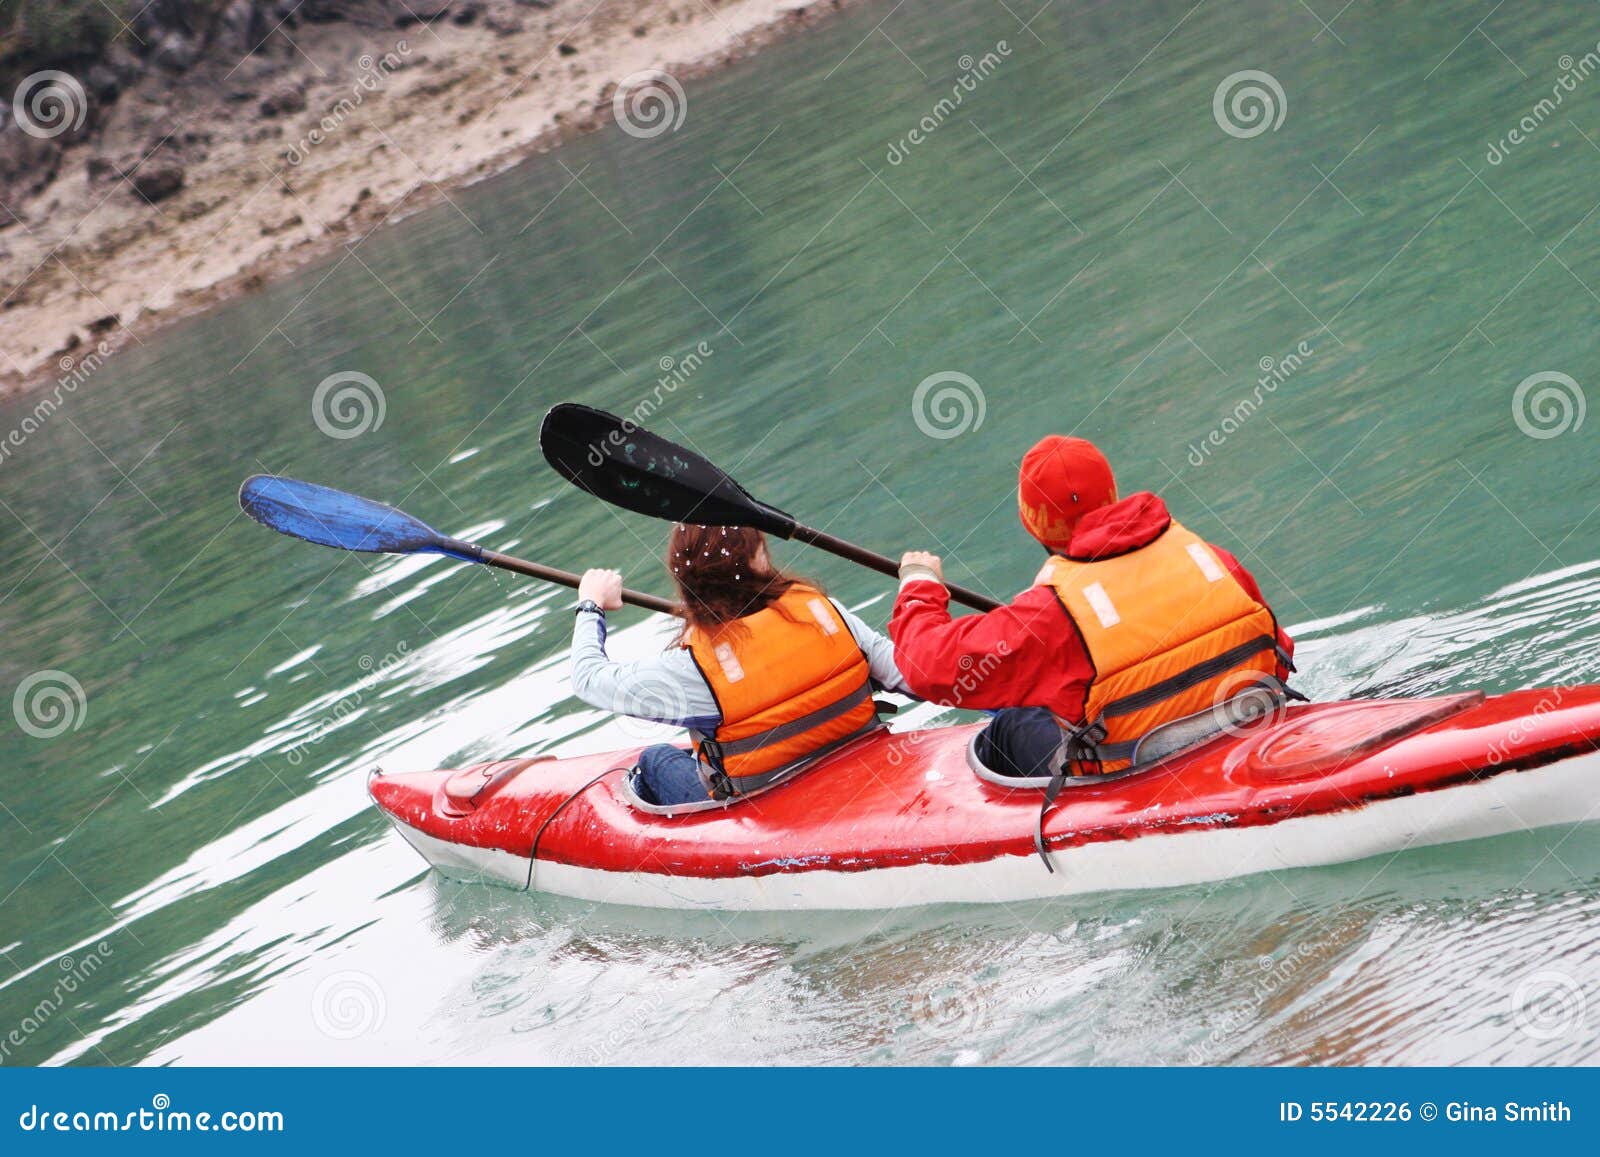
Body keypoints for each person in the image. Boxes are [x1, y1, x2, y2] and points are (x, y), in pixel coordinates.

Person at [891, 434, 1294, 781]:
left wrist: (919, 584)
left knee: (1012, 723)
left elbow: (928, 667)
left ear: (1032, 524)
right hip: (1253, 723)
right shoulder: (1206, 555)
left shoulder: (1048, 615)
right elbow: (1280, 648)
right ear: (1112, 494)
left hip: (1139, 768)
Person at [571, 523, 912, 806]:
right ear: (759, 560)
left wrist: (591, 604)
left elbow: (588, 679)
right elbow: (912, 678)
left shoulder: (694, 668)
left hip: (769, 806)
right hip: (865, 763)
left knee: (655, 759)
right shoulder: (825, 613)